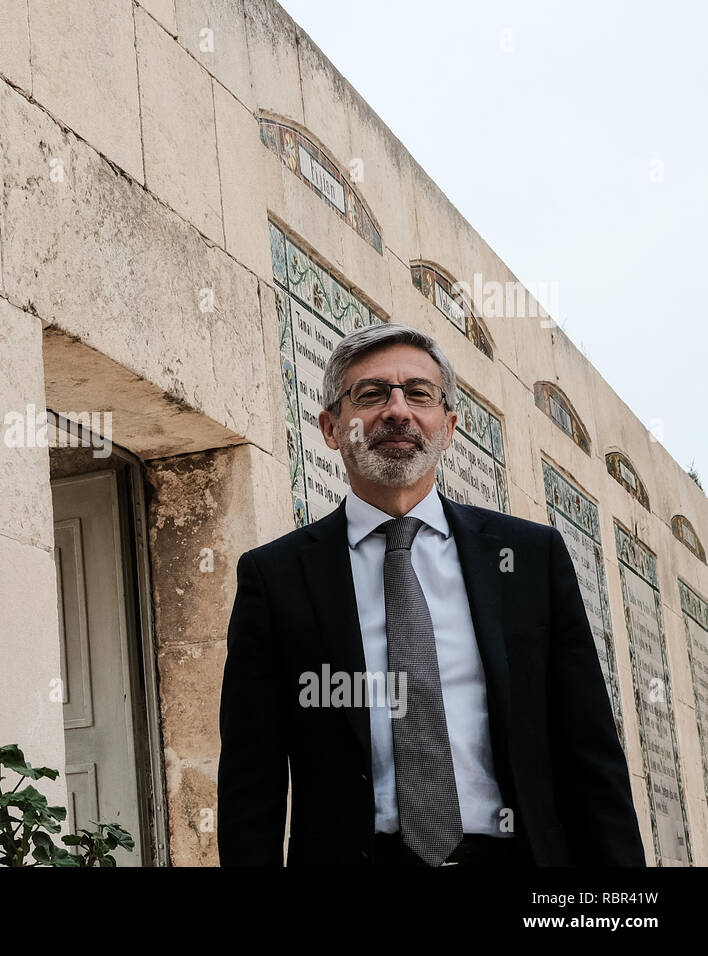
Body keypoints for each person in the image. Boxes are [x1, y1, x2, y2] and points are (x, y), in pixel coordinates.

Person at [217, 323, 645, 867]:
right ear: (330, 428)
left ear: (449, 427)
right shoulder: (275, 577)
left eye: (419, 394)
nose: (398, 411)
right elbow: (250, 780)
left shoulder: (530, 558)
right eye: (371, 394)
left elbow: (591, 753)